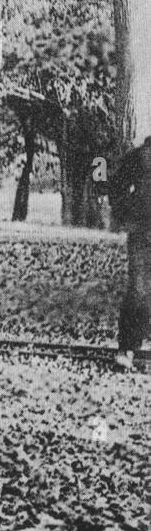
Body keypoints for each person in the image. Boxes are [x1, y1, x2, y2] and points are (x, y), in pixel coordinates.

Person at [109, 136, 151, 372]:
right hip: (143, 235)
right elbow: (116, 184)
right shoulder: (141, 155)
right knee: (139, 291)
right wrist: (127, 214)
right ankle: (126, 349)